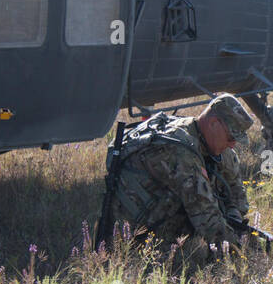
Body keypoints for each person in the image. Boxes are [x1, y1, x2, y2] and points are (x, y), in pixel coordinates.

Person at [108, 93, 254, 266]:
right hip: (138, 230)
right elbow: (207, 219)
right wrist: (243, 256)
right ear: (214, 124)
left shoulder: (211, 142)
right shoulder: (180, 151)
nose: (232, 145)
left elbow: (237, 193)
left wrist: (234, 216)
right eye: (231, 137)